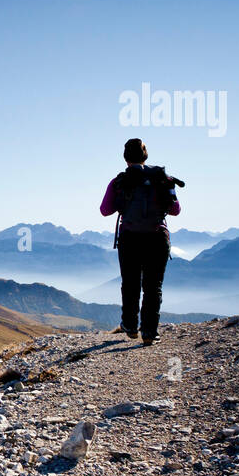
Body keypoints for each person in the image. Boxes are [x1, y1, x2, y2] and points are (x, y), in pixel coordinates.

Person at [99, 138, 181, 345]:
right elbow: (175, 210)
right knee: (153, 285)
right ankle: (150, 332)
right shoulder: (163, 179)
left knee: (130, 283)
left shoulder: (119, 181)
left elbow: (105, 210)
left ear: (125, 158)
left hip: (130, 238)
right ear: (146, 156)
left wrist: (123, 202)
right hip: (157, 237)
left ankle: (130, 325)